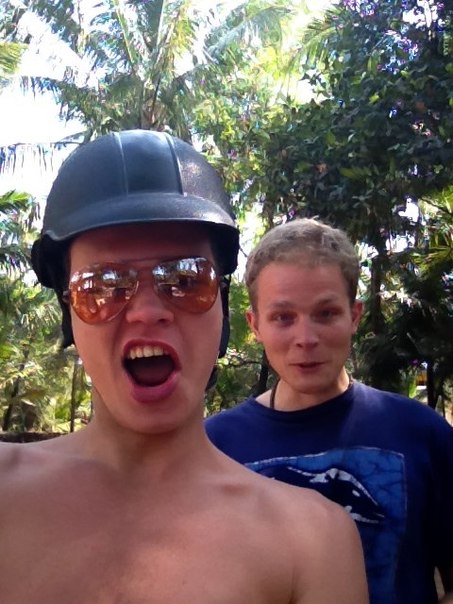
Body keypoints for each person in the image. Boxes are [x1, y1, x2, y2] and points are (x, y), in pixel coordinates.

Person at [0, 132, 368, 603]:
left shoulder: (311, 540)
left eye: (185, 279)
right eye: (103, 285)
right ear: (69, 312)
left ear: (223, 310)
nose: (147, 311)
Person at [206, 217, 453, 604]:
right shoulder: (215, 446)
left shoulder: (421, 432)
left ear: (353, 316)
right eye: (283, 317)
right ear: (255, 325)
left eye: (325, 314)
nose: (306, 338)